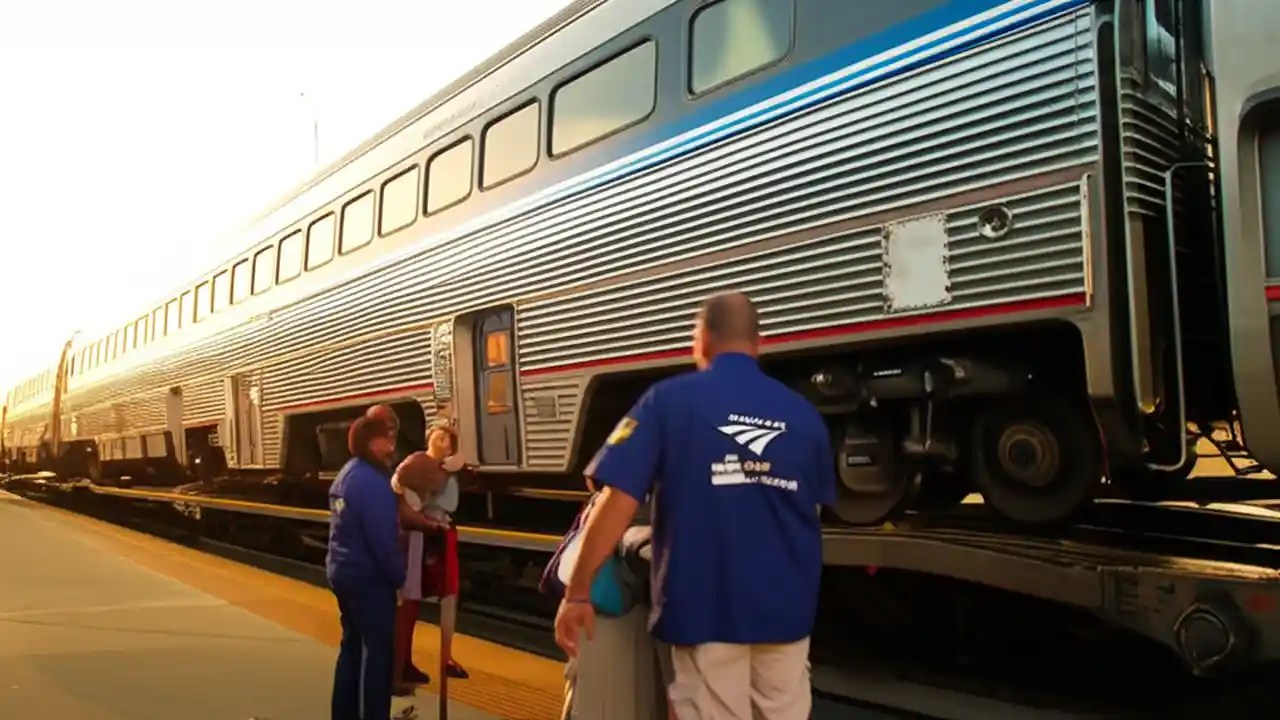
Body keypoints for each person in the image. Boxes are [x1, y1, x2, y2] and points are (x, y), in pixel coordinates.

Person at [553, 292, 837, 720]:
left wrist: (577, 593)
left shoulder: (667, 400)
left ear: (701, 339)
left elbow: (617, 502)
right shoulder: (803, 414)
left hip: (708, 607)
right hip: (787, 612)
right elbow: (812, 511)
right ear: (758, 343)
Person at [327, 414, 404, 720]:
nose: (392, 446)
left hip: (343, 573)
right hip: (369, 579)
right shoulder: (373, 483)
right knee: (378, 654)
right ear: (373, 443)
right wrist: (399, 578)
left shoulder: (346, 475)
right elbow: (382, 540)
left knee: (351, 650)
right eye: (388, 439)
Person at [389, 422, 473, 691]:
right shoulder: (416, 463)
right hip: (416, 534)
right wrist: (425, 520)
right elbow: (399, 486)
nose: (445, 443)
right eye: (441, 437)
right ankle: (398, 667)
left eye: (449, 440)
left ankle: (419, 660)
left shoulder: (450, 469)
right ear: (429, 437)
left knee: (436, 595)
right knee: (408, 599)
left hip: (433, 533)